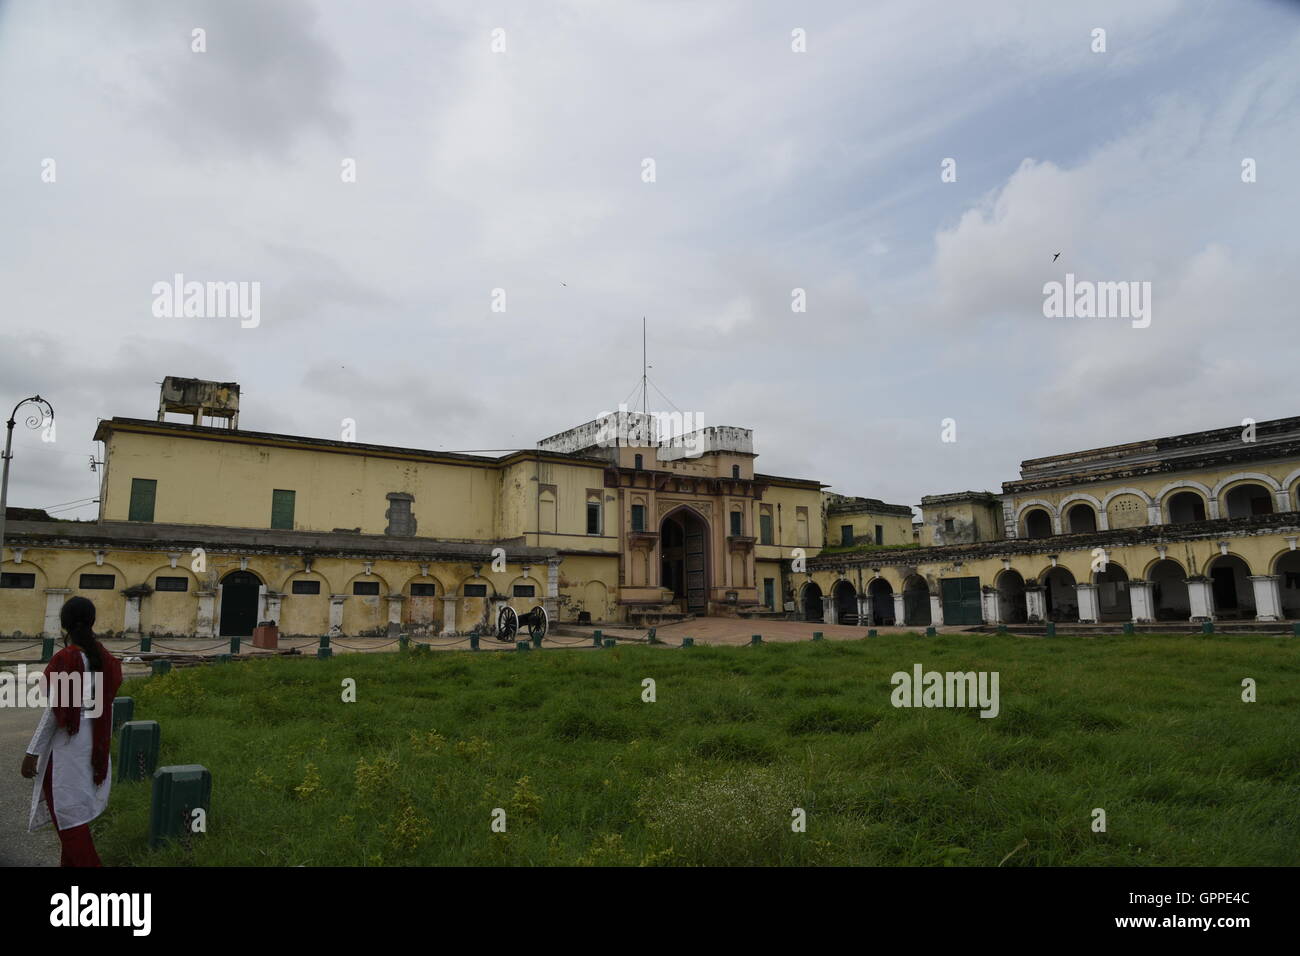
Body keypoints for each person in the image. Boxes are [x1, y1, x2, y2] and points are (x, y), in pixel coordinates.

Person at [20, 596, 123, 867]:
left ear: (64, 624)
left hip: (65, 753)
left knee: (70, 826)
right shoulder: (105, 658)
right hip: (95, 749)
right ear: (92, 622)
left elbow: (55, 713)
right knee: (75, 820)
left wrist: (32, 752)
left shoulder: (67, 658)